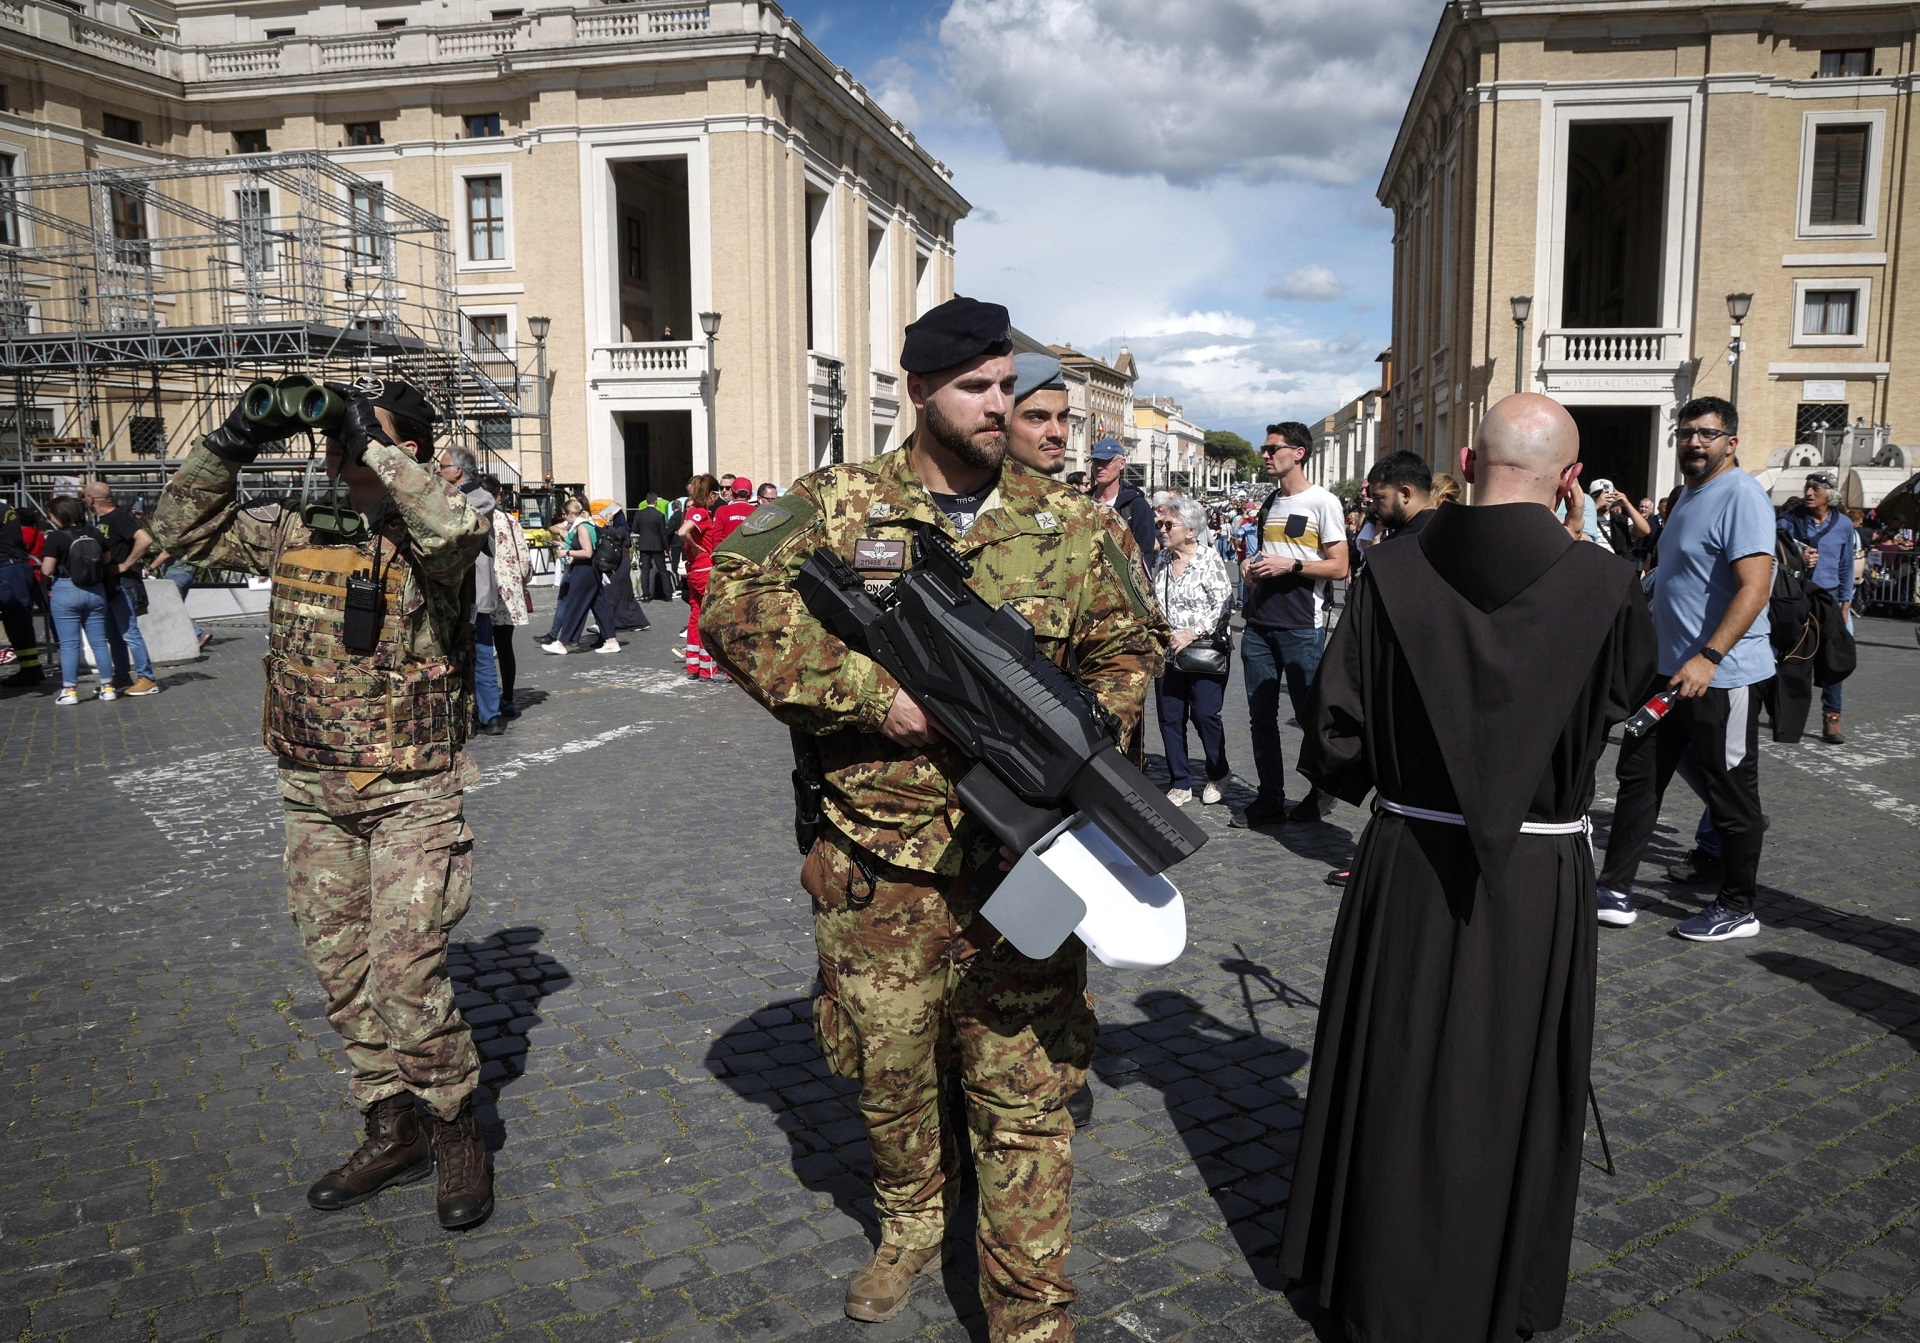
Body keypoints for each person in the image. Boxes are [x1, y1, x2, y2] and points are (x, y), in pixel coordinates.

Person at [702, 296, 1165, 1340]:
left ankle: (1031, 1313)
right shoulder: (834, 504)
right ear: (918, 391)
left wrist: (1081, 736)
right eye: (977, 388)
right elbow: (729, 605)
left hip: (1029, 862)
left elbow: (1131, 643)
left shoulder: (1070, 520)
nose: (1001, 406)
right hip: (879, 857)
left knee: (1026, 1090)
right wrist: (877, 696)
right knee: (892, 1068)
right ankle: (911, 1220)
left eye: (1008, 385)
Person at [1279, 393, 1655, 1343]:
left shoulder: (1388, 572)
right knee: (1510, 1072)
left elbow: (1334, 740)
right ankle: (1493, 1290)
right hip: (1539, 874)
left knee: (1396, 1058)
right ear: (1570, 480)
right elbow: (1625, 699)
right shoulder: (1608, 586)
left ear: (1462, 458)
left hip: (1410, 856)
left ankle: (1372, 1280)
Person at [151, 376, 496, 1229]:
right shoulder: (299, 528)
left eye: (361, 431)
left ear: (407, 448)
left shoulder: (436, 536)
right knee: (343, 974)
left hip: (410, 789)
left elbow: (452, 525)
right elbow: (177, 528)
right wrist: (233, 438)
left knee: (405, 973)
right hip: (311, 790)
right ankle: (392, 1125)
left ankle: (456, 1127)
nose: (335, 441)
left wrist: (363, 432)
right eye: (335, 431)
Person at [1596, 395, 1775, 941]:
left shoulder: (1740, 496)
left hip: (1722, 675)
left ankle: (1738, 905)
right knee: (1639, 778)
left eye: (1707, 433)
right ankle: (1614, 889)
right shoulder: (1688, 497)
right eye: (1686, 431)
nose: (1694, 441)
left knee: (1731, 793)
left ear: (1731, 442)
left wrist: (1710, 656)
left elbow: (1755, 587)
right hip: (1667, 674)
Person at [1234, 420, 1349, 828]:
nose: (1264, 455)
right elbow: (1266, 553)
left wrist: (1293, 564)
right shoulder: (1269, 502)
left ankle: (1322, 792)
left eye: (1272, 448)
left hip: (1302, 625)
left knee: (1309, 718)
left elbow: (1340, 567)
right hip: (1259, 623)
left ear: (1298, 452)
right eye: (1263, 449)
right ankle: (1269, 798)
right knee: (1260, 718)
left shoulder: (1324, 502)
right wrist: (1250, 566)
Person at [1153, 497, 1234, 807]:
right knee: (1170, 717)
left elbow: (1223, 605)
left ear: (1190, 530)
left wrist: (1192, 632)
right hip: (1168, 652)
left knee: (1205, 715)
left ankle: (1218, 772)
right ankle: (1180, 781)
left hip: (1204, 650)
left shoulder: (1209, 559)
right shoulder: (1162, 559)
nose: (1161, 529)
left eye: (1168, 524)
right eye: (1159, 524)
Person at [1777, 470, 1855, 743]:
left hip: (1830, 599)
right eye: (1807, 488)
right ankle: (1785, 716)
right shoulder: (1788, 521)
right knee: (1792, 657)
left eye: (1815, 489)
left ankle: (1832, 718)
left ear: (1830, 496)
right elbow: (1775, 555)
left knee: (1833, 659)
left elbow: (1846, 565)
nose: (1809, 493)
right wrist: (1798, 558)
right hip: (1797, 596)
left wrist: (1846, 603)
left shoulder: (1844, 525)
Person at [436, 449, 505, 735]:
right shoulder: (446, 491)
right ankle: (466, 712)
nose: (438, 470)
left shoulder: (479, 496)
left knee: (482, 651)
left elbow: (460, 518)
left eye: (442, 466)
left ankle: (491, 714)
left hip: (473, 590)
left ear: (458, 470)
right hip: (453, 587)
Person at [40, 495, 120, 704]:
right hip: (95, 591)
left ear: (60, 514)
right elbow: (107, 559)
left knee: (69, 644)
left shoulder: (56, 537)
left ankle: (70, 691)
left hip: (67, 590)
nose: (50, 518)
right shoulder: (94, 532)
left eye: (51, 514)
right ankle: (108, 687)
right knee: (100, 643)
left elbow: (48, 570)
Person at [83, 481, 160, 696]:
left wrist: (125, 565)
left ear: (91, 499)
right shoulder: (105, 520)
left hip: (123, 583)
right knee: (114, 634)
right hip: (110, 585)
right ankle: (122, 675)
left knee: (129, 632)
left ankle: (147, 678)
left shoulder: (118, 517)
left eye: (85, 497)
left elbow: (145, 539)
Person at [481, 474, 534, 717]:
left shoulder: (474, 518)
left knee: (480, 648)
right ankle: (509, 697)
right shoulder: (511, 522)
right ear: (498, 495)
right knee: (505, 648)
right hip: (506, 593)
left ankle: (483, 701)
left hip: (481, 591)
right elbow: (524, 561)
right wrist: (521, 578)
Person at [677, 474, 721, 677]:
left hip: (695, 570)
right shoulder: (701, 513)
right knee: (710, 617)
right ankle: (709, 666)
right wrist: (697, 546)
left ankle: (694, 666)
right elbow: (682, 532)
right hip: (704, 570)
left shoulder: (692, 511)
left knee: (696, 616)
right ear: (711, 494)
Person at [1086, 437, 1156, 559]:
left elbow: (1145, 554)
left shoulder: (1136, 504)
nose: (1099, 467)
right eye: (1096, 462)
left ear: (1122, 463)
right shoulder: (1084, 502)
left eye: (1106, 462)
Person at [1, 499, 46, 686]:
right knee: (19, 623)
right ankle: (31, 669)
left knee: (18, 623)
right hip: (17, 567)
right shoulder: (6, 508)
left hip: (6, 569)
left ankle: (31, 671)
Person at [1006, 353, 1070, 477]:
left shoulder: (1071, 496)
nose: (1057, 433)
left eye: (1062, 417)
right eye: (1037, 418)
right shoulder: (985, 496)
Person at [1365, 450, 1437, 538]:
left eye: (1378, 498)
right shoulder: (1454, 527)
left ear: (1405, 494)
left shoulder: (1395, 547)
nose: (1373, 507)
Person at [631, 492, 674, 601]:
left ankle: (645, 594)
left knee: (645, 570)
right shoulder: (659, 515)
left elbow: (634, 528)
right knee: (662, 570)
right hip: (657, 545)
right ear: (656, 501)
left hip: (644, 545)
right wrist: (667, 548)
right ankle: (668, 595)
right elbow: (663, 533)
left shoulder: (639, 514)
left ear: (646, 501)